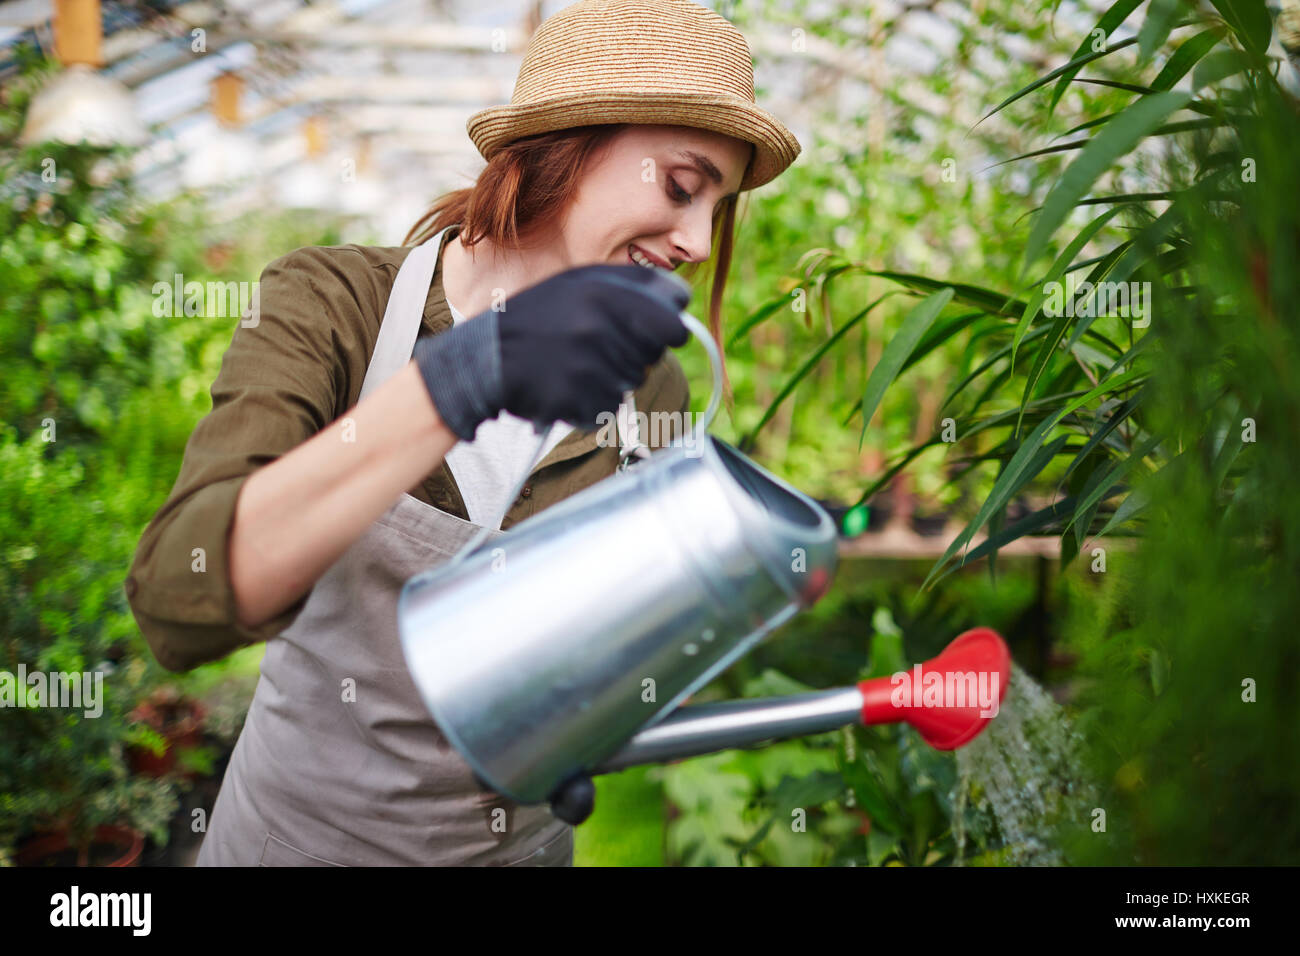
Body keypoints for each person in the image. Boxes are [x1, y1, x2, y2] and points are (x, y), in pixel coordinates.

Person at [125, 0, 800, 866]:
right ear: (568, 143)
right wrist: (467, 377)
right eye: (680, 186)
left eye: (721, 207)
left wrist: (607, 708)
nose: (701, 242)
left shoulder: (649, 388)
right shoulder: (335, 307)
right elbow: (177, 602)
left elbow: (610, 649)